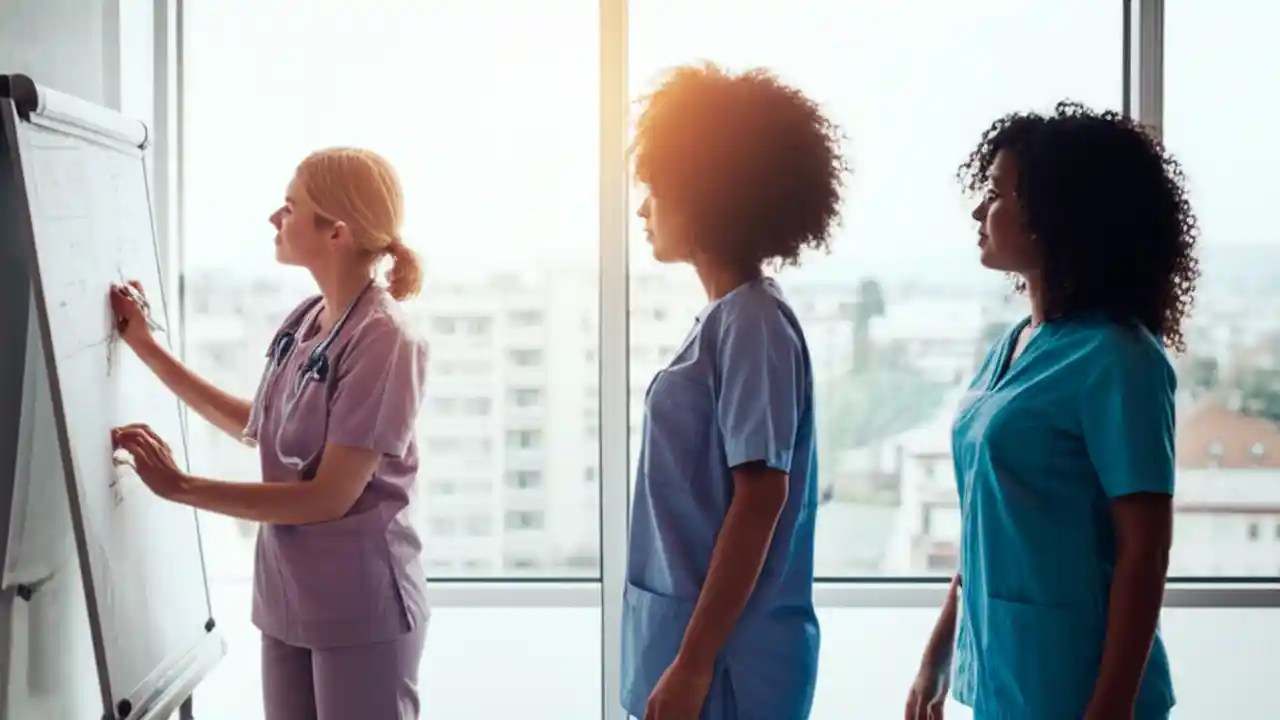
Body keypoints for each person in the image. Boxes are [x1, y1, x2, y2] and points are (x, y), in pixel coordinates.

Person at [109, 147, 429, 720]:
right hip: (289, 597)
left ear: (337, 232)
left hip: (359, 605)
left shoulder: (386, 339)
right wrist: (145, 346)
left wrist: (182, 488)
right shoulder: (308, 319)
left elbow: (329, 496)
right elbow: (261, 425)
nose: (274, 219)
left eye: (289, 207)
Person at [906, 102, 1199, 720]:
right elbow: (987, 530)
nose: (980, 211)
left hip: (1080, 688)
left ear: (1051, 217)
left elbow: (1145, 554)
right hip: (1005, 678)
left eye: (995, 194)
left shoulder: (1119, 358)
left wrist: (1110, 709)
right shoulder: (1010, 349)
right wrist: (936, 659)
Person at [622, 63, 846, 720]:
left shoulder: (752, 323)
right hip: (691, 647)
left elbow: (760, 499)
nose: (642, 208)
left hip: (730, 669)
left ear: (706, 193)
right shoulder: (728, 319)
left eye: (656, 188)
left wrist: (692, 664)